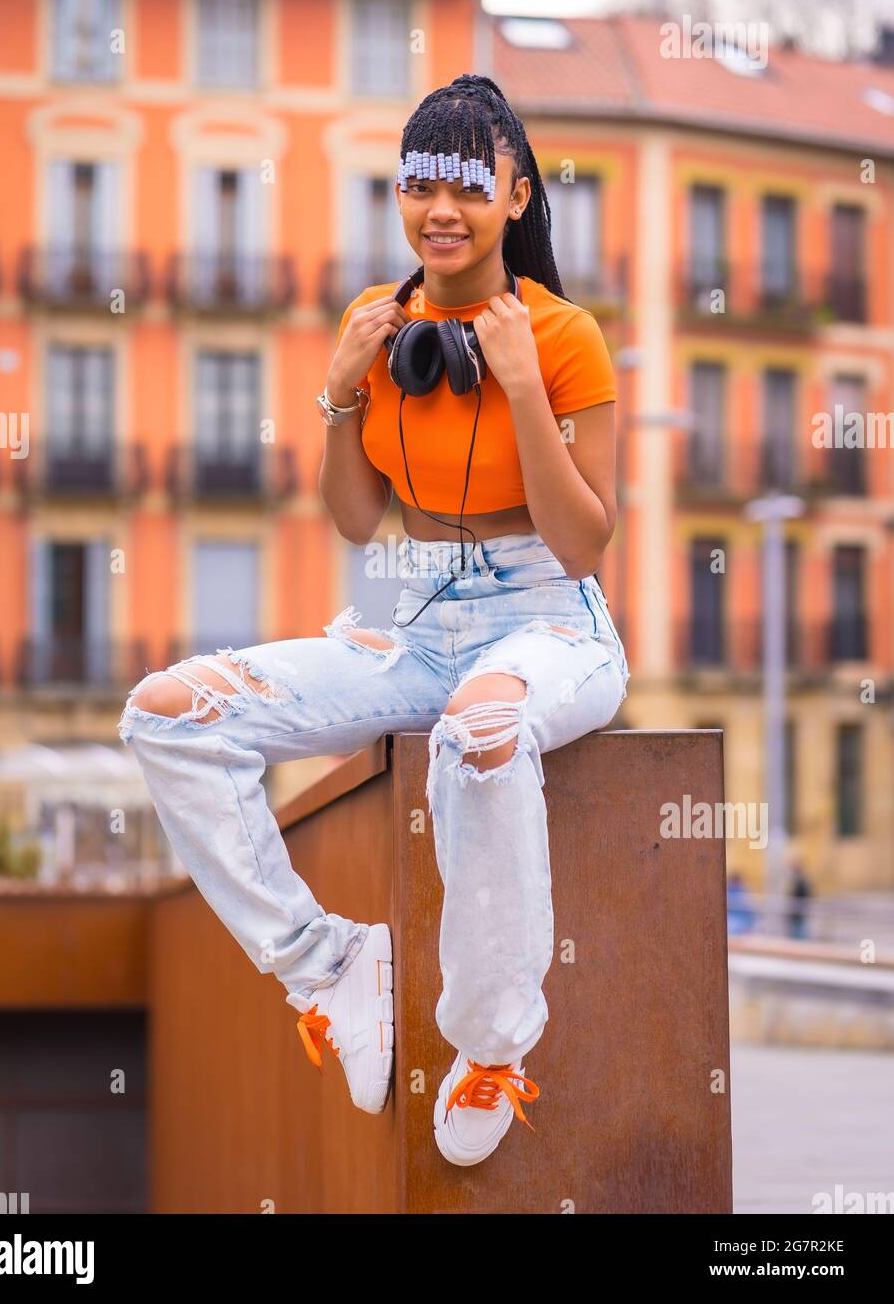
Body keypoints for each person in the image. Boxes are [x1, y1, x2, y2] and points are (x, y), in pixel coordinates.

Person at [118, 74, 630, 1167]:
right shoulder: (382, 328)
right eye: (415, 182)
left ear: (518, 195)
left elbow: (587, 541)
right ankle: (329, 963)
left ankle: (492, 1046)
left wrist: (524, 386)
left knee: (479, 734)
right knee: (167, 713)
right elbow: (356, 519)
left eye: (464, 183)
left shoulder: (566, 335)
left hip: (549, 616)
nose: (438, 207)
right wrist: (340, 393)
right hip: (412, 611)